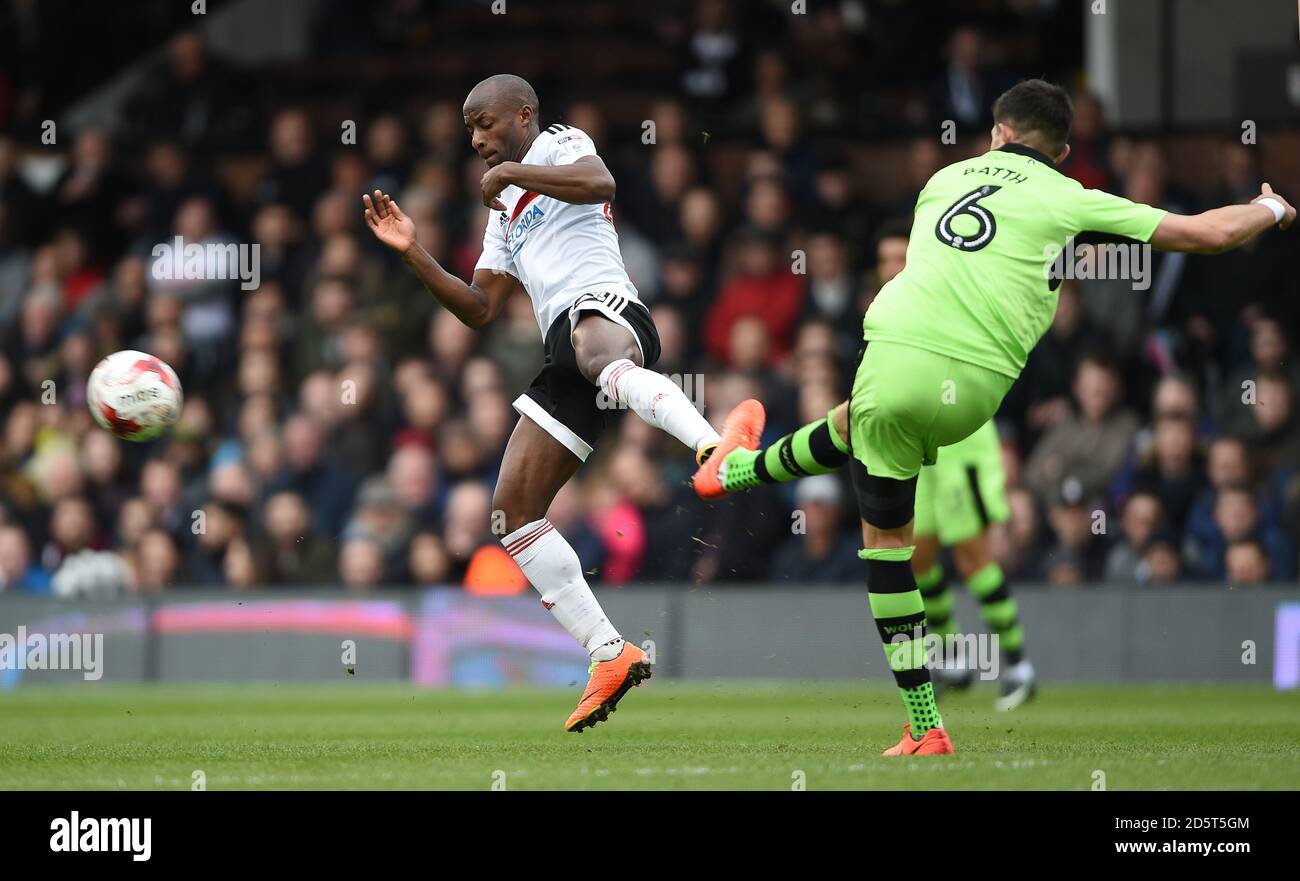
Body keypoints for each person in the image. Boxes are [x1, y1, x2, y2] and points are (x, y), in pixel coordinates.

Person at [696, 78, 1295, 755]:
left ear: (997, 133)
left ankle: (924, 722)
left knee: (887, 534)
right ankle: (741, 468)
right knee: (856, 423)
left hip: (892, 356)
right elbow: (1209, 233)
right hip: (975, 393)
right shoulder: (1070, 194)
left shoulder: (941, 181)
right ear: (1063, 151)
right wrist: (1269, 209)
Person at [363, 74, 750, 733]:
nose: (478, 138)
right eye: (470, 130)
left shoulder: (557, 145)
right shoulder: (502, 208)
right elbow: (482, 308)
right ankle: (609, 652)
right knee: (511, 514)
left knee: (597, 354)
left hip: (608, 314)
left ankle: (712, 446)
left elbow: (602, 183)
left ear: (523, 115)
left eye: (486, 123)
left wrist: (517, 168)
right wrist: (414, 252)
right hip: (562, 355)